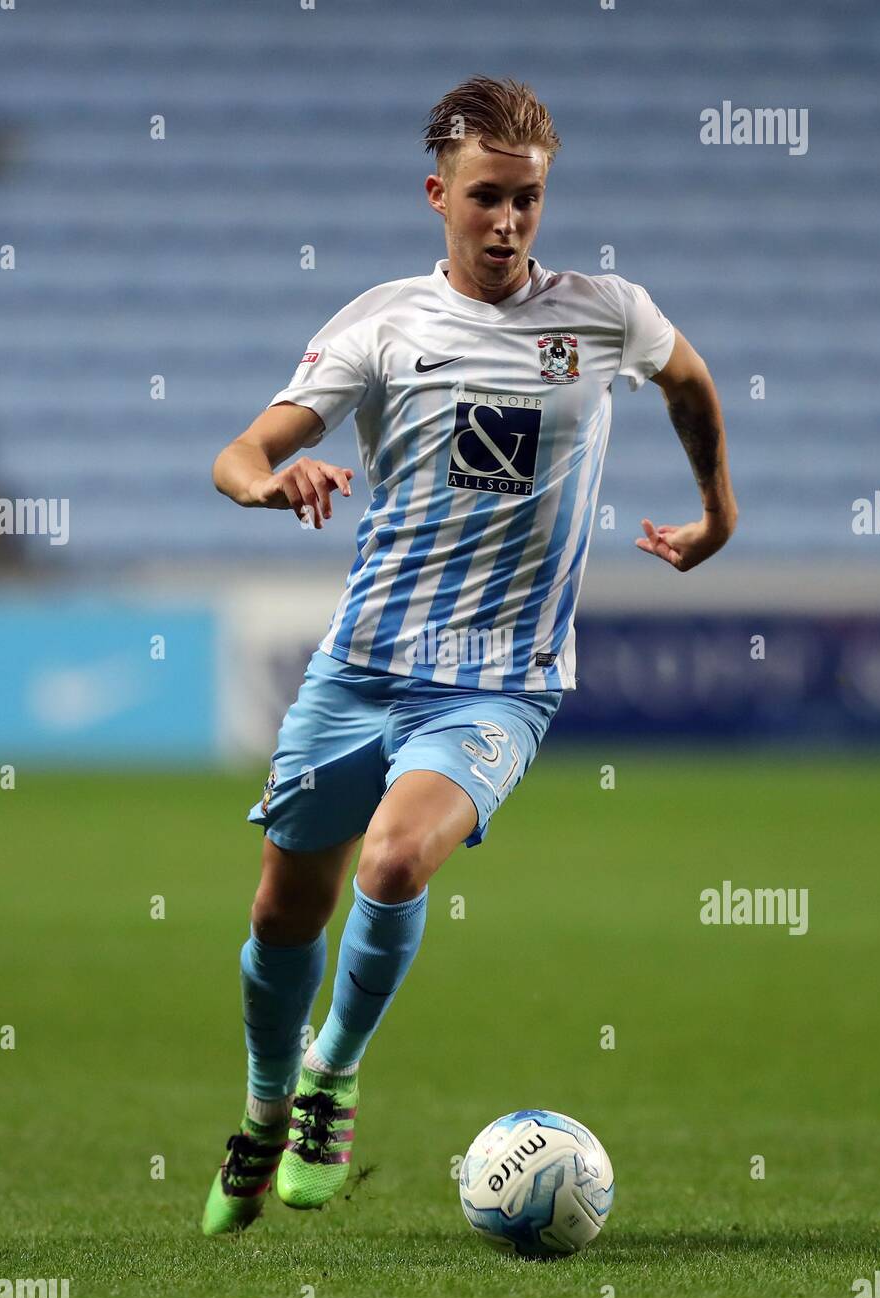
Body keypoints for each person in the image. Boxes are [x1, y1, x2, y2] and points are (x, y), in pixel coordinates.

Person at [203, 74, 737, 1234]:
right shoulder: (382, 325)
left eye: (528, 202)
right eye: (487, 198)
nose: (508, 223)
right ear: (437, 193)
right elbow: (242, 450)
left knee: (393, 863)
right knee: (284, 910)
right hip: (362, 666)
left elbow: (690, 380)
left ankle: (332, 1079)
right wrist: (272, 481)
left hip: (499, 680)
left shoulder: (605, 314)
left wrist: (716, 512)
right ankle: (262, 1102)